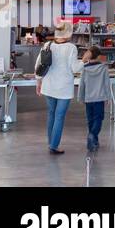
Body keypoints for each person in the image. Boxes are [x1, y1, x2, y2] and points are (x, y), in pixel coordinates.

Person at [36, 19, 81, 154]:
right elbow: (74, 68)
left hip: (49, 85)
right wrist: (84, 62)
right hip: (64, 88)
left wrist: (38, 82)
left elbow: (38, 66)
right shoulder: (71, 48)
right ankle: (54, 146)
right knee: (59, 116)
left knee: (51, 114)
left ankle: (51, 142)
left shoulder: (47, 45)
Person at [80, 47, 112, 152]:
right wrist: (108, 97)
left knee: (90, 119)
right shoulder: (103, 68)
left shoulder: (84, 68)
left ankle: (94, 141)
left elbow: (82, 84)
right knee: (98, 118)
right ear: (98, 56)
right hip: (99, 98)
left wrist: (81, 97)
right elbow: (107, 83)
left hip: (88, 98)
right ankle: (92, 135)